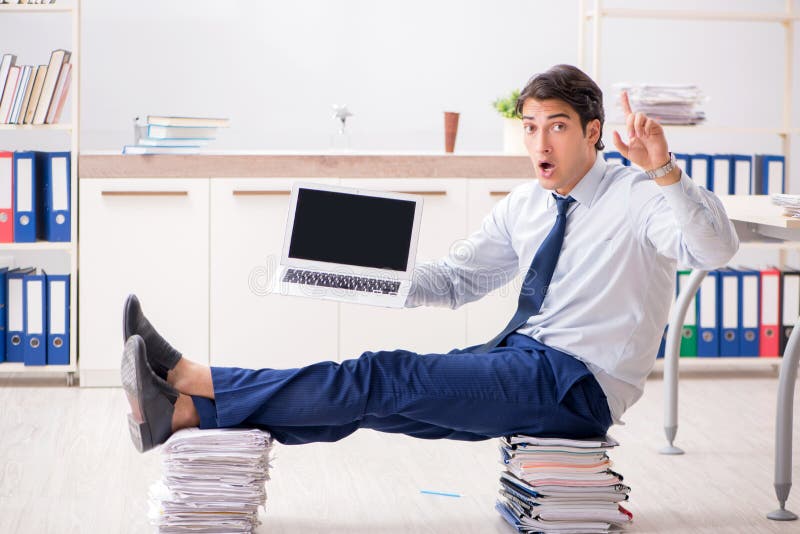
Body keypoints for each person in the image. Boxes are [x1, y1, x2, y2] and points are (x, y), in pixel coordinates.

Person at [121, 64, 738, 453]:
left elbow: (716, 249)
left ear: (593, 131)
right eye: (529, 127)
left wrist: (661, 168)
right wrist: (361, 272)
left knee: (377, 377)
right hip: (522, 359)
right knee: (376, 401)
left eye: (556, 126)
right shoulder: (526, 204)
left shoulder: (640, 196)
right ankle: (181, 415)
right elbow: (456, 281)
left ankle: (190, 379)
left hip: (579, 385)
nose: (538, 142)